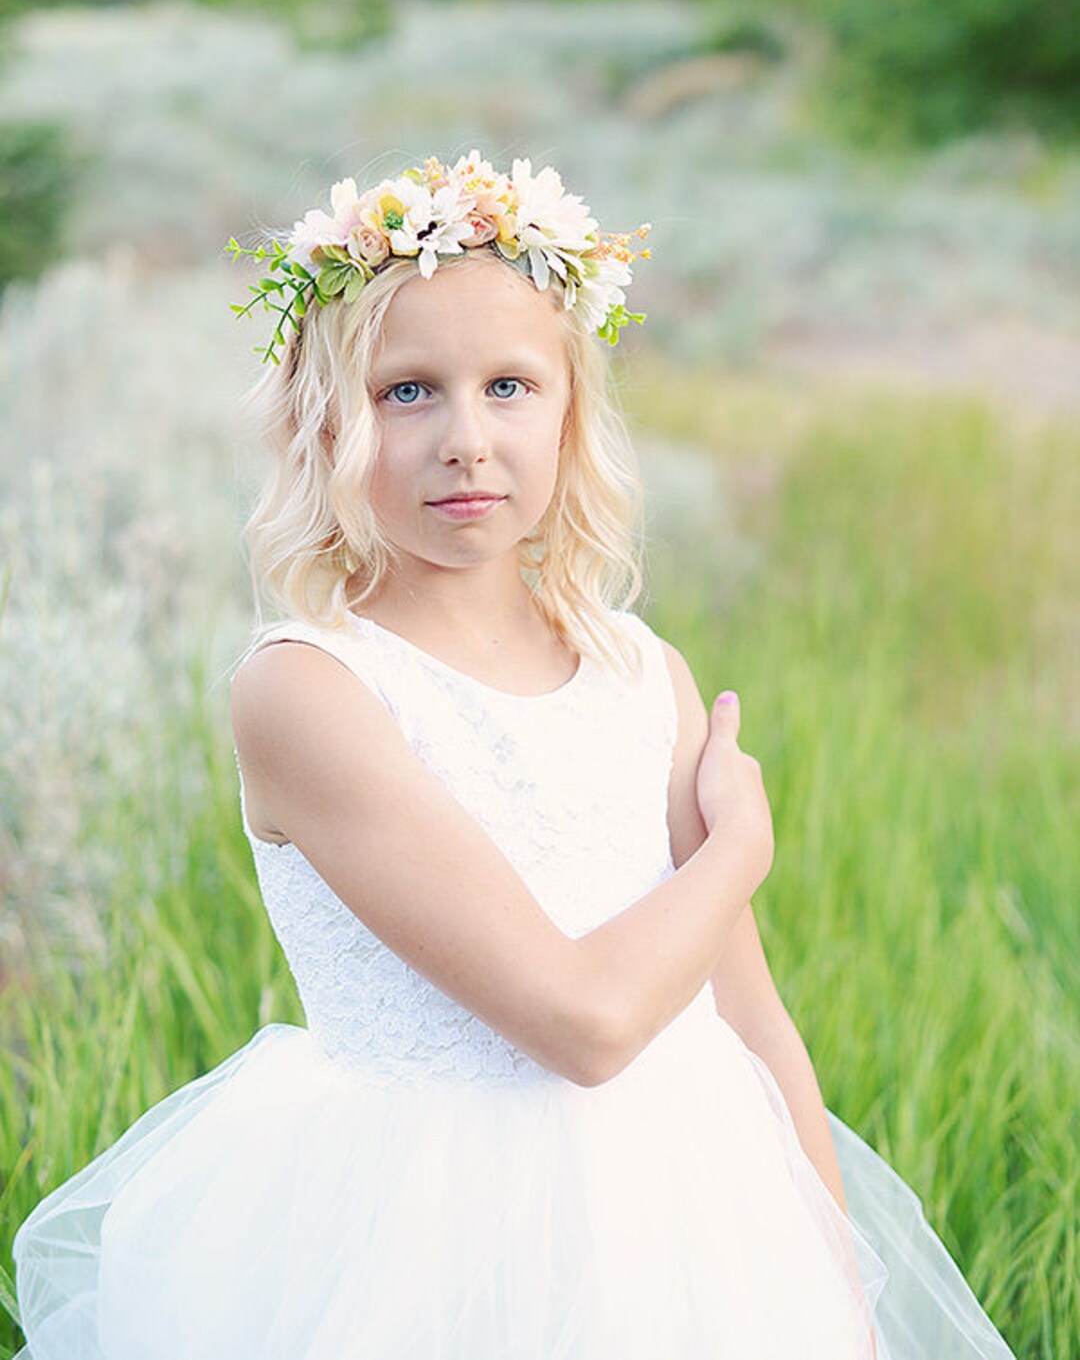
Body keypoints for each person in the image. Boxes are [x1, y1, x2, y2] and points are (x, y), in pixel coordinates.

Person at [12, 151, 1017, 1358]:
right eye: (407, 393)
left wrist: (834, 1284)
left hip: (694, 1224)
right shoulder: (314, 688)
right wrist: (740, 847)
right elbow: (582, 1024)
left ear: (570, 410)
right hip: (419, 1241)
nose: (467, 440)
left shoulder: (644, 674)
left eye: (508, 385)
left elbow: (751, 1019)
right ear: (325, 419)